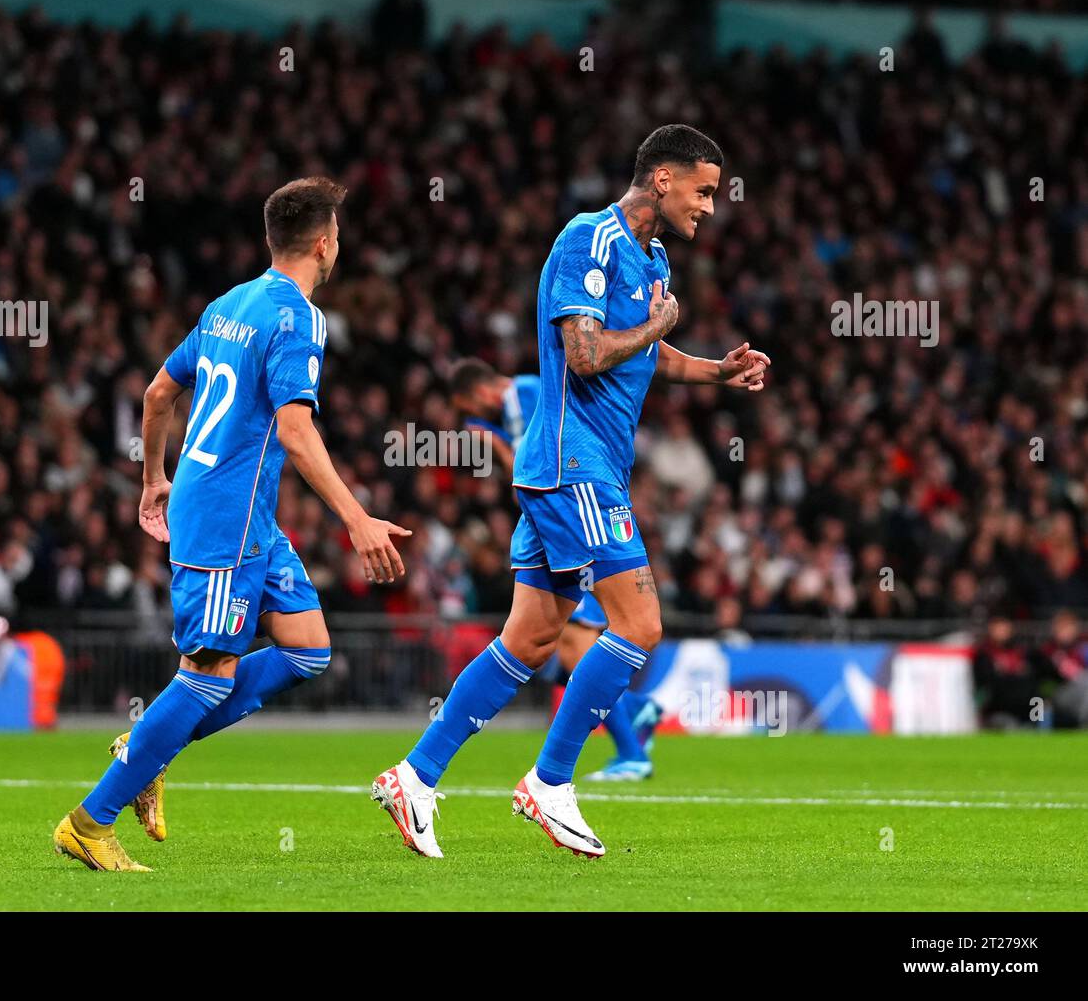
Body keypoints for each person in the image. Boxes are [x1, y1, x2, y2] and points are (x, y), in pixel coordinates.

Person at [373, 124, 770, 858]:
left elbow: (648, 355)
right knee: (640, 624)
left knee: (531, 637)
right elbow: (583, 355)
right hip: (571, 464)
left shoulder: (651, 259)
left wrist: (716, 369)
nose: (711, 208)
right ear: (662, 179)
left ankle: (415, 776)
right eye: (703, 191)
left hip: (580, 470)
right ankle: (551, 782)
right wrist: (654, 324)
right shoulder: (589, 241)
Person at [53, 177, 410, 871]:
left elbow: (160, 391)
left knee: (308, 649)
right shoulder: (298, 318)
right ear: (326, 242)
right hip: (223, 517)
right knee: (209, 674)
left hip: (237, 512)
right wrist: (357, 518)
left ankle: (147, 749)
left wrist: (155, 475)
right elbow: (298, 433)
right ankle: (90, 821)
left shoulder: (226, 305)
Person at [449, 356, 661, 780]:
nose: (478, 415)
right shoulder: (529, 390)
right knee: (562, 648)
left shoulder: (520, 397)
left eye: (473, 407)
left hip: (569, 520)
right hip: (561, 523)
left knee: (576, 644)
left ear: (481, 392)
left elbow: (534, 467)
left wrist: (491, 440)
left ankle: (626, 753)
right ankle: (636, 716)